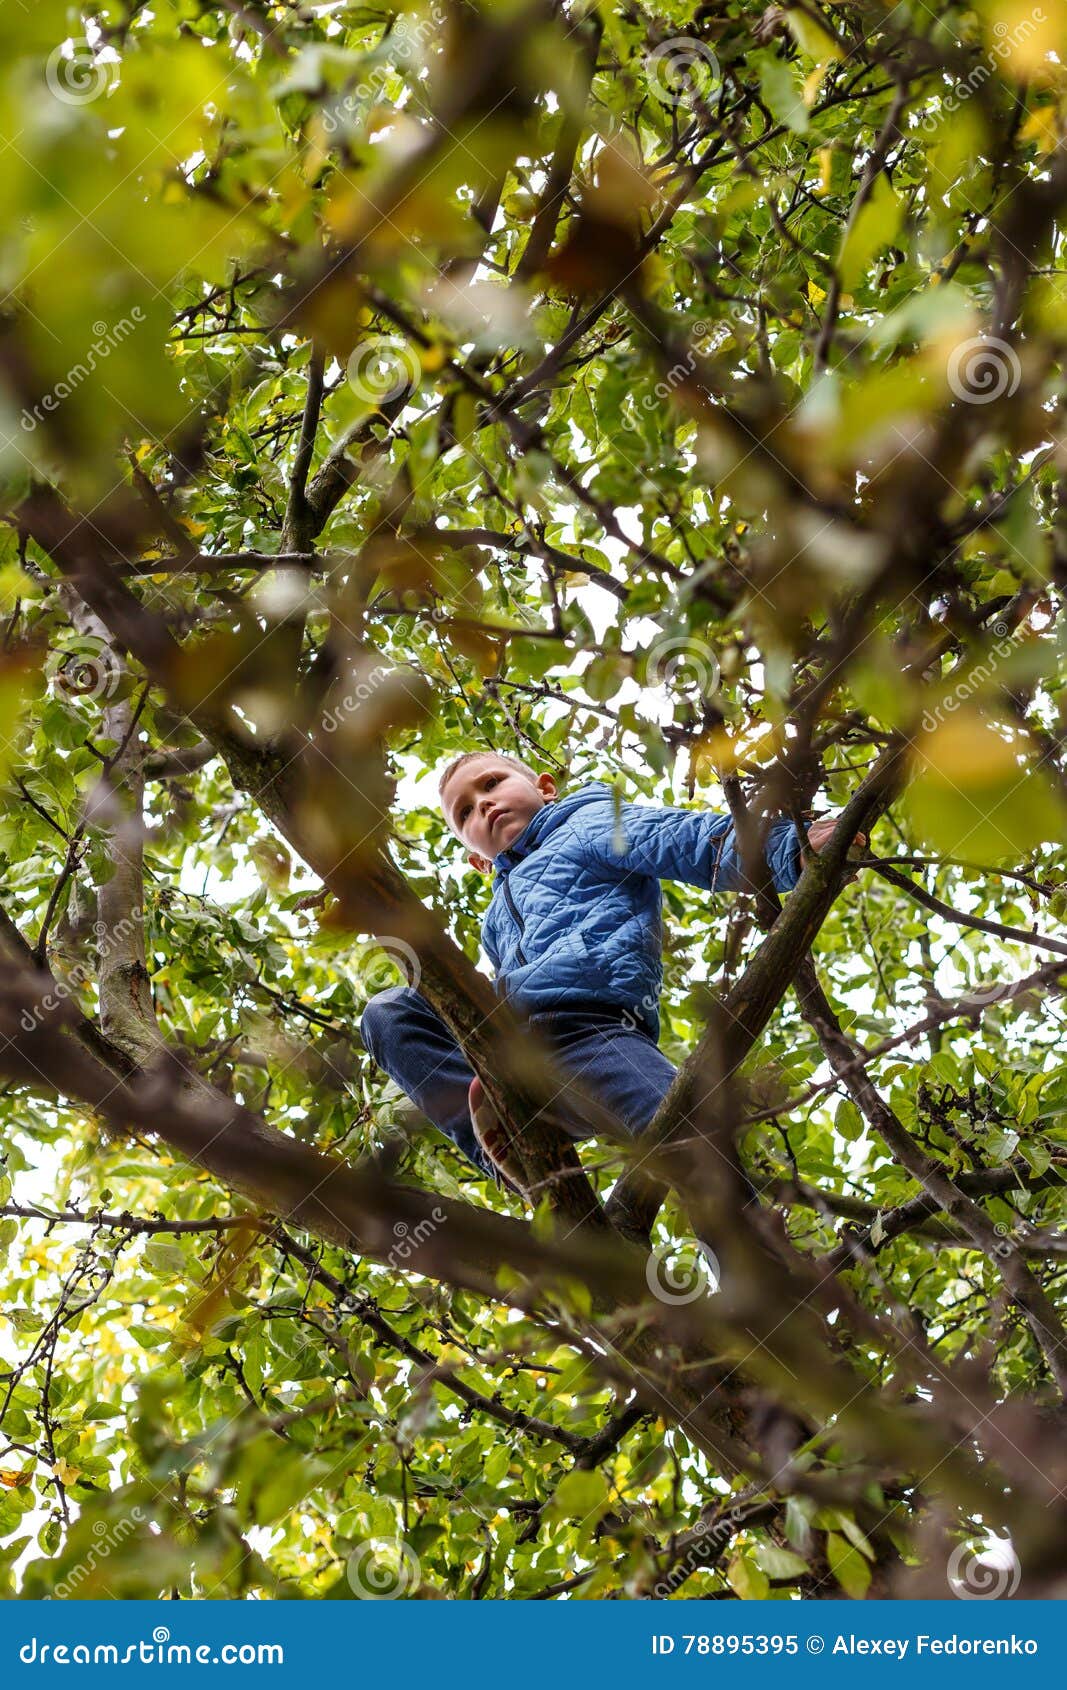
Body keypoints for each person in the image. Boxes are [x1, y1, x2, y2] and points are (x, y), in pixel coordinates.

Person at [359, 752, 862, 1202]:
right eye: (464, 811)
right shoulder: (495, 916)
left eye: (491, 784)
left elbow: (683, 840)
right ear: (476, 861)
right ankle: (503, 1144)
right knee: (389, 1013)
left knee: (692, 1143)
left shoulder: (588, 822)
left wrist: (787, 848)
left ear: (546, 787)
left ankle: (761, 1274)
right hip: (515, 1052)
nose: (483, 805)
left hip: (596, 1032)